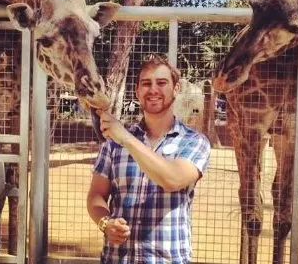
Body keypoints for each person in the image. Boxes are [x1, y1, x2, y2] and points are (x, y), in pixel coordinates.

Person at [87, 55, 211, 264]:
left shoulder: (194, 141)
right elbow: (95, 196)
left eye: (162, 83)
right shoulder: (112, 143)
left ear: (176, 89)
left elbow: (172, 179)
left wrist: (126, 138)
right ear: (137, 92)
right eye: (146, 84)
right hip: (118, 259)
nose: (153, 90)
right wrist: (105, 223)